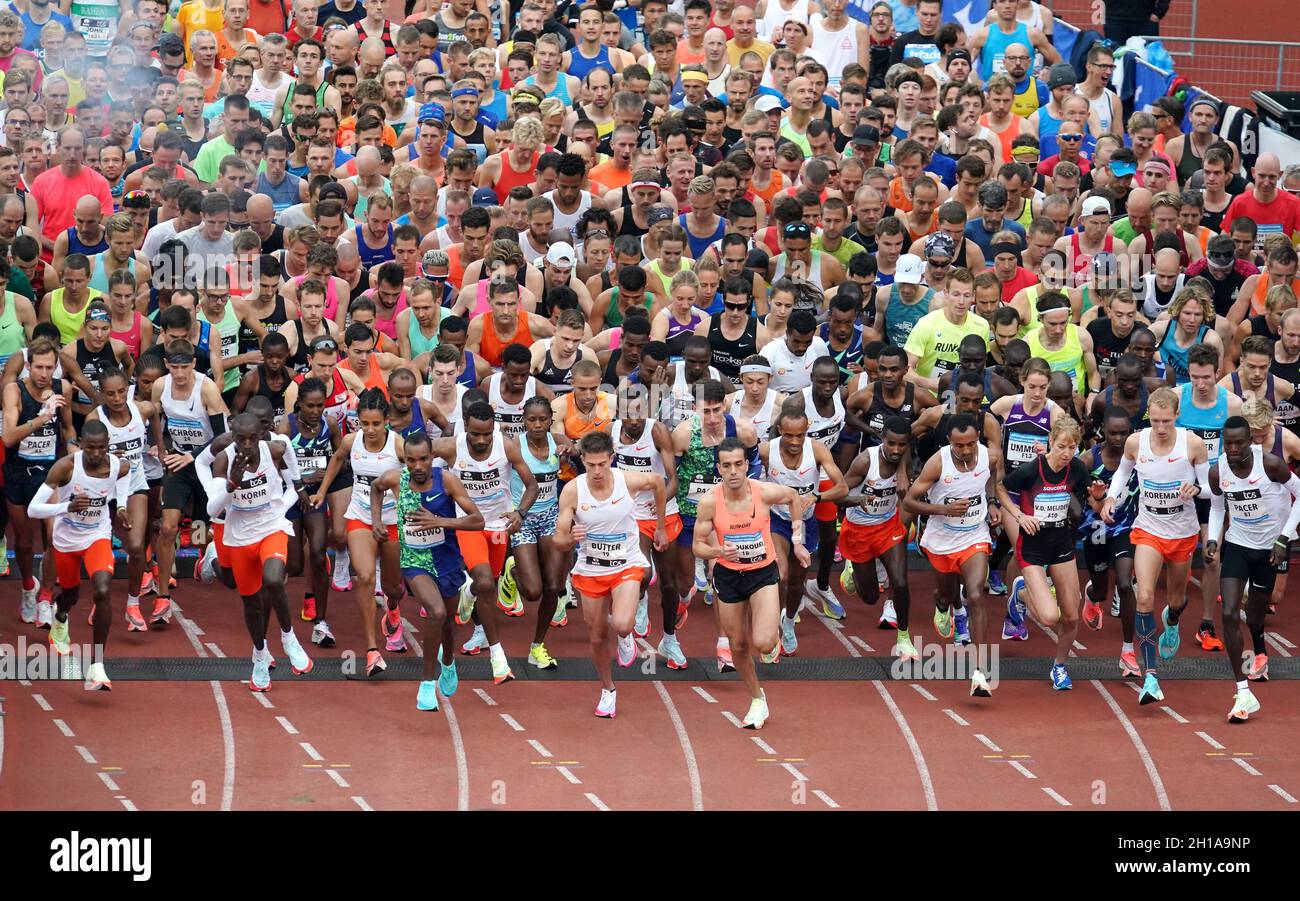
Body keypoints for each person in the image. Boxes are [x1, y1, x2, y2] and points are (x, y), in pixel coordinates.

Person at [1102, 387, 1211, 707]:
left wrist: (1196, 488)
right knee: (1145, 596)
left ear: (1177, 416)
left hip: (1182, 529)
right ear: (1149, 415)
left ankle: (1173, 620)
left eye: (1167, 421)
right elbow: (1122, 473)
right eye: (1156, 420)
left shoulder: (1191, 443)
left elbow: (1209, 489)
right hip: (1148, 527)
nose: (1161, 427)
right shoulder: (1137, 442)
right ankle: (1151, 675)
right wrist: (1111, 497)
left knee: (1177, 600)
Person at [694, 436, 810, 729]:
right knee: (739, 645)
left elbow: (794, 498)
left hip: (762, 573)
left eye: (738, 464)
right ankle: (757, 699)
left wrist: (797, 543)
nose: (733, 471)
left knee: (764, 641)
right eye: (726, 466)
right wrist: (717, 551)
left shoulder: (764, 492)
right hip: (729, 576)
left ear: (747, 466)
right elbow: (697, 546)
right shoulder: (709, 502)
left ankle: (773, 634)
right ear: (719, 468)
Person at [555, 430, 668, 718]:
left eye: (601, 464)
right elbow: (558, 538)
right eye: (590, 464)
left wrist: (661, 525)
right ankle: (608, 689)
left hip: (626, 563)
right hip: (591, 569)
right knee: (595, 637)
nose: (595, 471)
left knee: (620, 623)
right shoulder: (573, 491)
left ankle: (626, 635)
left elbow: (657, 482)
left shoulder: (626, 481)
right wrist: (570, 538)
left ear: (611, 459)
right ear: (582, 461)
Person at [427, 401, 539, 683]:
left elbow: (532, 485)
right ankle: (498, 657)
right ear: (465, 424)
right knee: (487, 582)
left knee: (486, 586)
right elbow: (411, 453)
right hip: (468, 524)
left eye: (486, 434)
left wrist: (520, 512)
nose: (480, 440)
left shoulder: (507, 446)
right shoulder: (451, 446)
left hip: (499, 525)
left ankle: (468, 593)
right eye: (475, 433)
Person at [371, 430, 484, 711]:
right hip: (414, 561)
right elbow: (376, 487)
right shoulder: (396, 479)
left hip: (446, 561)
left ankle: (448, 661)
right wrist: (376, 521)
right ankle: (426, 684)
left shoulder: (446, 481)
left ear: (432, 457)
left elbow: (477, 520)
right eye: (411, 460)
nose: (418, 466)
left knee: (446, 623)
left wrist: (440, 521)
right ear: (404, 460)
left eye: (423, 459)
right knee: (436, 612)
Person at [206, 412, 314, 691]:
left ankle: (289, 638)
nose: (247, 445)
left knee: (275, 579)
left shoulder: (272, 449)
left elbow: (288, 450)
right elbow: (212, 510)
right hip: (240, 538)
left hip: (271, 528)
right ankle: (259, 655)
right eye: (241, 439)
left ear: (261, 436)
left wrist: (297, 485)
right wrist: (232, 484)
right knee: (252, 606)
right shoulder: (224, 460)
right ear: (233, 435)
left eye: (253, 438)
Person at [1205, 418, 1300, 723]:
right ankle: (1243, 690)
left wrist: (1284, 538)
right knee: (1230, 614)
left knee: (1256, 616)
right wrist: (1212, 539)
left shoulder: (1270, 465)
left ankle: (1259, 645)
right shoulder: (1218, 471)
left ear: (1250, 442)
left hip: (1269, 550)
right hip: (1237, 545)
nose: (1232, 449)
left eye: (1238, 443)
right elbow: (1218, 508)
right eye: (1227, 443)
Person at [25, 420, 128, 690]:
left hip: (97, 536)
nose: (96, 454)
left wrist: (122, 506)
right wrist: (65, 506)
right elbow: (33, 510)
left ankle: (97, 666)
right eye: (90, 448)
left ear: (108, 446)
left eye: (101, 448)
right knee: (71, 596)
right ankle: (60, 615)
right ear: (81, 444)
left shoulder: (116, 465)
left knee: (103, 590)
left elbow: (127, 474)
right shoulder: (66, 466)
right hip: (66, 542)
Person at [904, 413, 1001, 697]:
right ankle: (947, 605)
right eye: (960, 445)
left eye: (971, 443)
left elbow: (992, 475)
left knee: (976, 595)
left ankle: (980, 672)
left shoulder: (988, 456)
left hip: (974, 536)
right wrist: (944, 509)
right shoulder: (938, 463)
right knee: (945, 594)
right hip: (942, 540)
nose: (967, 450)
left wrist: (992, 500)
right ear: (949, 442)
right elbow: (910, 499)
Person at [311, 388, 406, 678]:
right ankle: (371, 650)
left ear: (387, 420)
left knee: (392, 588)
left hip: (391, 521)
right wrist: (322, 491)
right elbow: (338, 458)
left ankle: (392, 610)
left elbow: (418, 471)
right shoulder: (353, 442)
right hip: (361, 518)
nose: (371, 429)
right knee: (364, 576)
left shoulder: (398, 446)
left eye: (376, 423)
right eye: (365, 423)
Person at [997, 417, 1090, 689]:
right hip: (1033, 548)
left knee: (1071, 616)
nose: (1066, 453)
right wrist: (1018, 515)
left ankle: (1059, 667)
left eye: (1072, 448)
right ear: (1051, 442)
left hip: (1061, 545)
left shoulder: (1076, 469)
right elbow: (1001, 488)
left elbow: (1093, 497)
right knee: (1050, 617)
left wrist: (1099, 496)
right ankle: (1020, 592)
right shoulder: (1031, 470)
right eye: (1061, 446)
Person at [760, 403, 847, 659]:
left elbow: (842, 487)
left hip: (805, 523)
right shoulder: (767, 451)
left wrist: (816, 497)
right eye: (789, 435)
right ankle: (773, 624)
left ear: (807, 431)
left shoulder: (817, 450)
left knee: (797, 580)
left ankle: (788, 621)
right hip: (776, 520)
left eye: (800, 435)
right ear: (779, 431)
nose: (795, 441)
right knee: (781, 574)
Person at [5, 338, 75, 626]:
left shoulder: (63, 389)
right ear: (28, 366)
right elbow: (8, 436)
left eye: (50, 367)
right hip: (18, 471)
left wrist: (74, 451)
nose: (44, 373)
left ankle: (46, 596)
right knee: (23, 541)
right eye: (39, 367)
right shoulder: (14, 390)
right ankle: (27, 588)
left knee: (55, 537)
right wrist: (42, 416)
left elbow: (68, 427)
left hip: (49, 474)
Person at [836, 416, 915, 656]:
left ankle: (903, 637)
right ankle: (851, 570)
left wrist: (903, 470)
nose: (896, 450)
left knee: (900, 583)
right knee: (870, 598)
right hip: (858, 531)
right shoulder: (864, 462)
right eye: (891, 444)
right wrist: (858, 499)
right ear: (882, 439)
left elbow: (905, 453)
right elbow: (837, 495)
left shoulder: (904, 456)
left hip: (887, 527)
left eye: (901, 445)